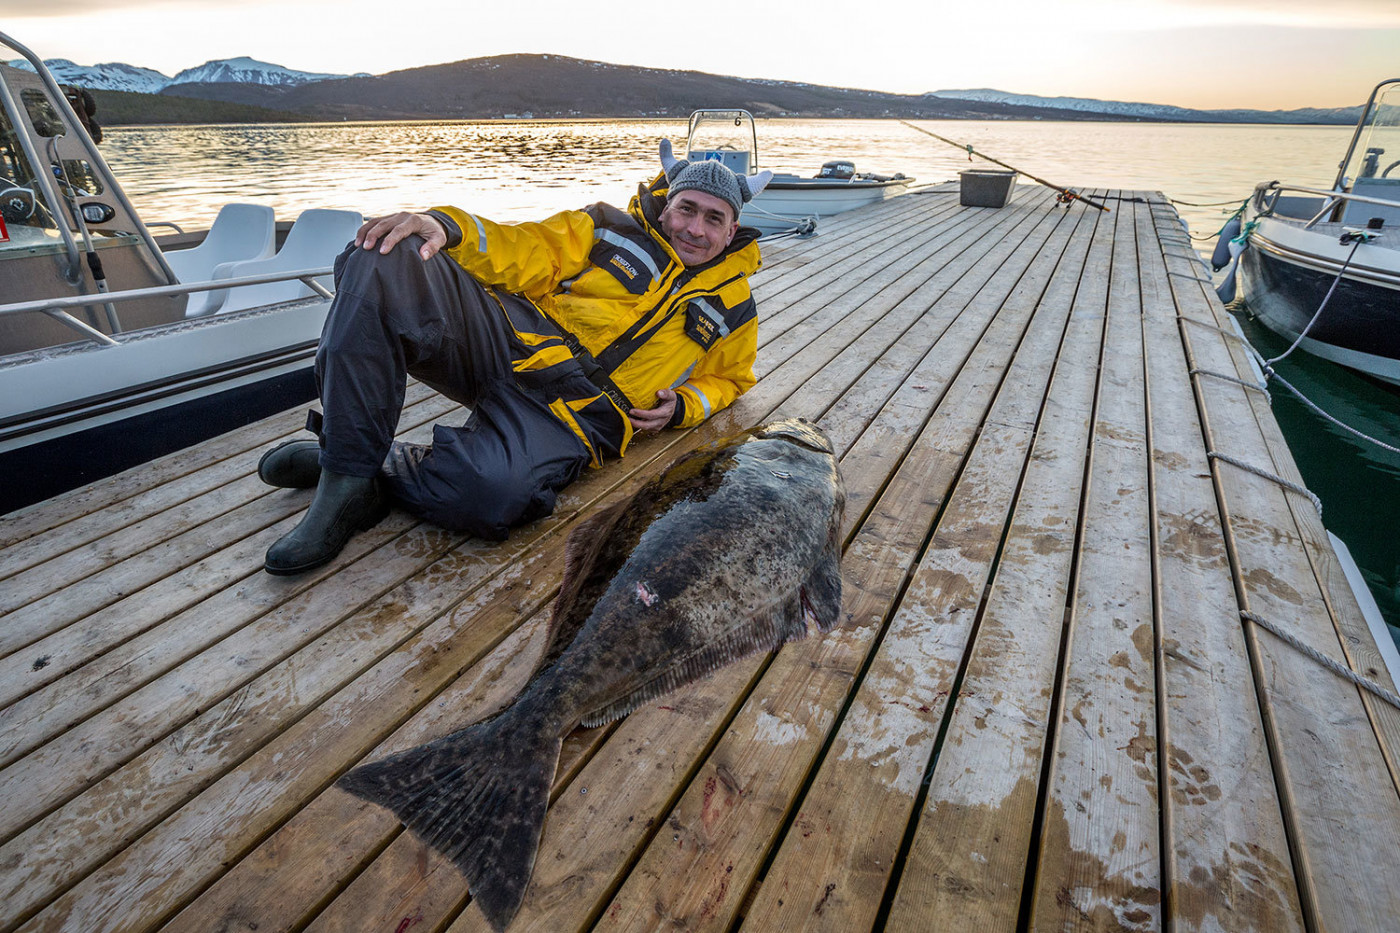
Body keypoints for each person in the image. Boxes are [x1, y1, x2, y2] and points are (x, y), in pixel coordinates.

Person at [257, 141, 773, 575]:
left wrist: (684, 405)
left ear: (731, 232)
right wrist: (444, 225)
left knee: (486, 498)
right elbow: (524, 247)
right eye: (687, 208)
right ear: (667, 205)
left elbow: (730, 377)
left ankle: (370, 467)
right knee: (388, 252)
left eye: (713, 219)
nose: (694, 229)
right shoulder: (605, 228)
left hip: (579, 416)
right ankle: (346, 476)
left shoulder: (735, 305)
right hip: (514, 346)